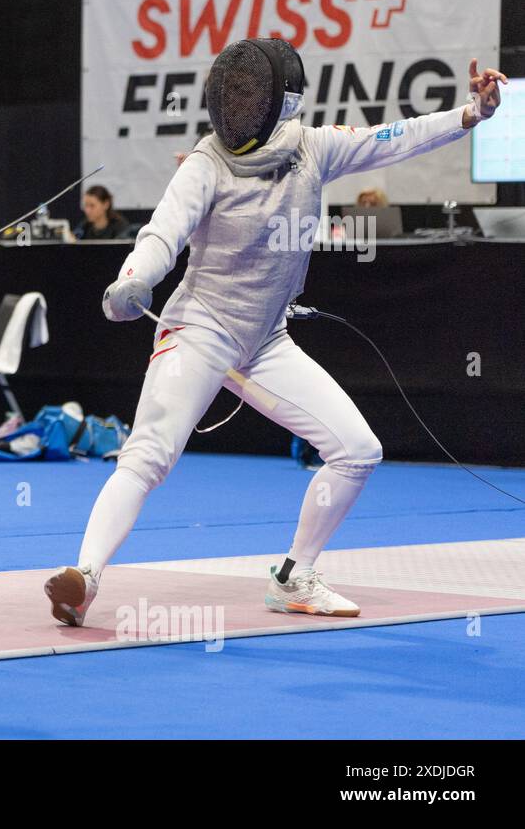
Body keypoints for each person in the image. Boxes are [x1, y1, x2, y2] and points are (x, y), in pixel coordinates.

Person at [45, 41, 506, 626]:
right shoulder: (207, 164)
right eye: (230, 96)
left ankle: (294, 576)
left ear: (278, 103)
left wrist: (471, 113)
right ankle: (84, 578)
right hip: (201, 331)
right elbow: (162, 233)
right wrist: (132, 280)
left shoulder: (315, 148)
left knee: (359, 451)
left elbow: (396, 137)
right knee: (149, 454)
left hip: (265, 342)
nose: (235, 107)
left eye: (247, 96)